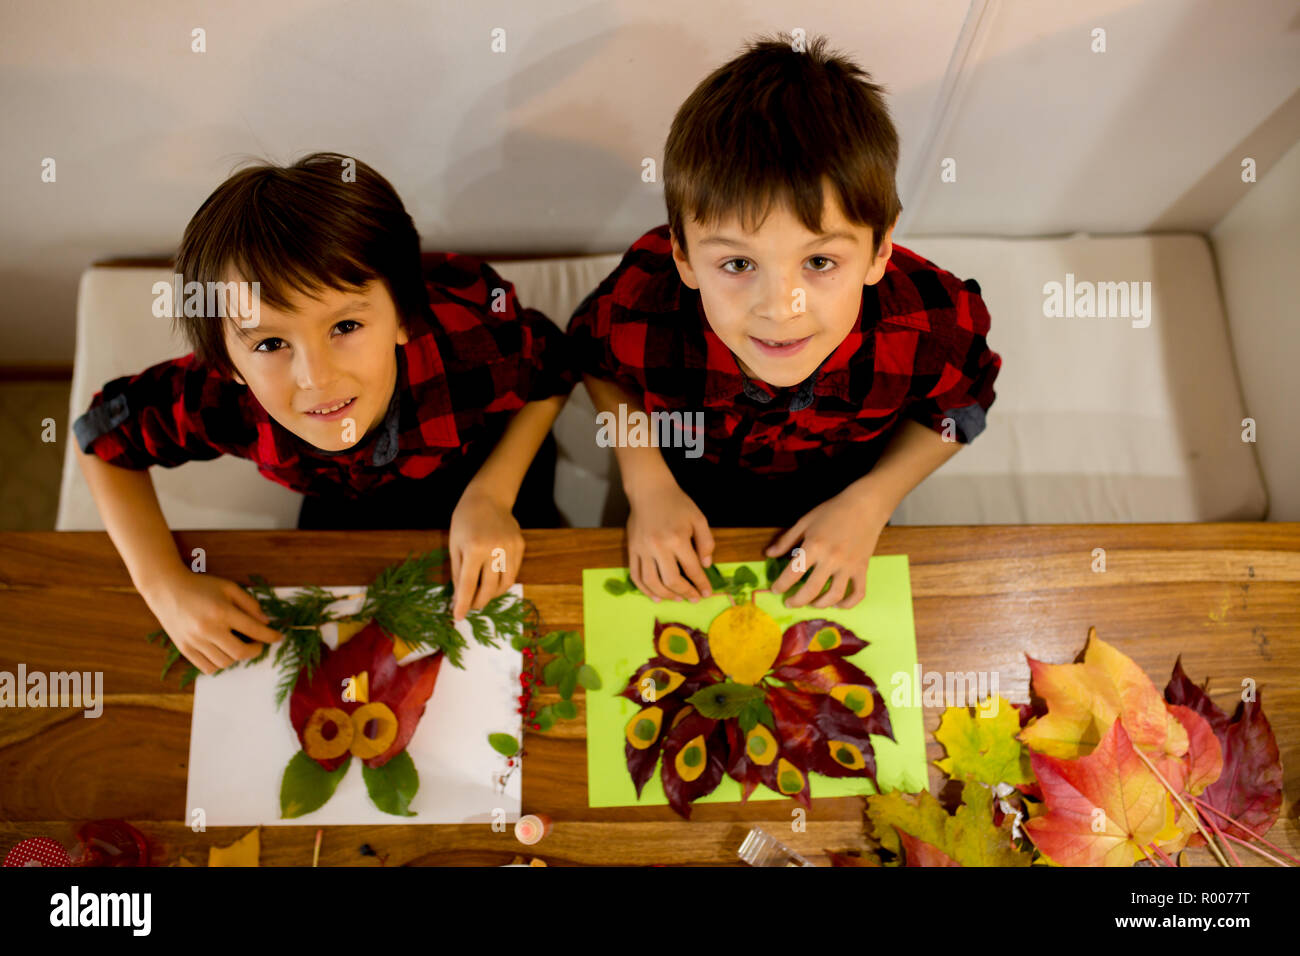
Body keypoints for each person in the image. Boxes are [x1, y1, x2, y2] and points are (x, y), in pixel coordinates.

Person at [74, 153, 575, 674]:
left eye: (345, 328)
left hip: (484, 461)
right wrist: (164, 585)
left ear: (403, 316)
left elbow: (556, 366)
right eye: (270, 343)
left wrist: (493, 494)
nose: (316, 378)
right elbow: (101, 439)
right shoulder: (223, 401)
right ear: (228, 363)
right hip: (344, 497)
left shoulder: (472, 343)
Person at [568, 34, 1002, 611]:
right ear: (682, 255)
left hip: (847, 481)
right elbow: (596, 362)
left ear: (879, 251)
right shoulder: (646, 299)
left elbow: (961, 408)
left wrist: (872, 502)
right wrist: (645, 483)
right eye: (738, 264)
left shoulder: (933, 322)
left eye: (820, 261)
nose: (780, 308)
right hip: (682, 468)